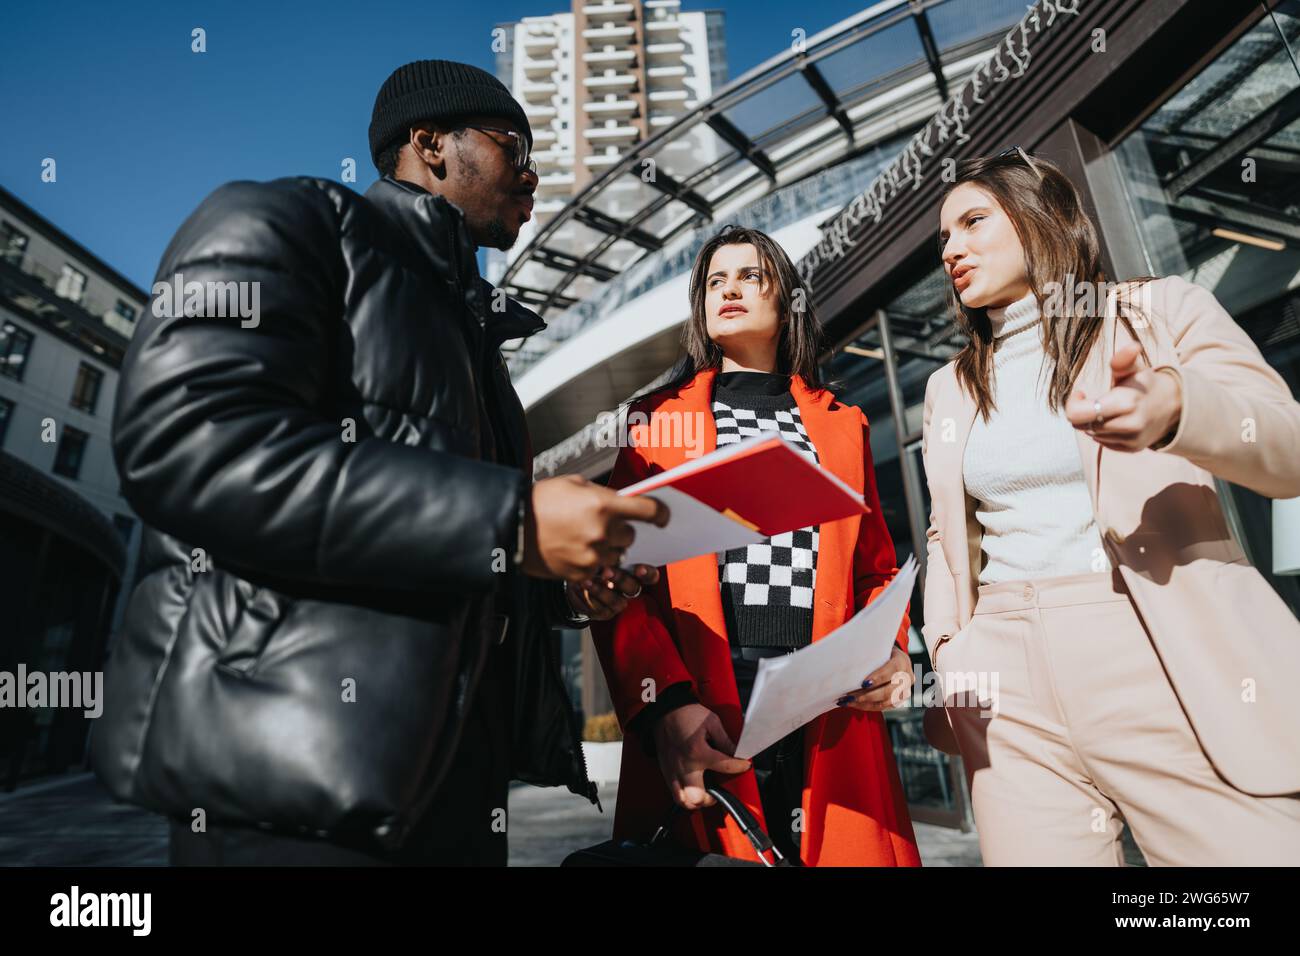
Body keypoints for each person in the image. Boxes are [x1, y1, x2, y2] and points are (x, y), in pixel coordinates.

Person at [91, 59, 667, 866]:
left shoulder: (476, 341)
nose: (533, 176)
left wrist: (559, 589)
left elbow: (430, 546)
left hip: (454, 781)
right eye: (515, 148)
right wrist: (511, 520)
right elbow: (187, 441)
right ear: (429, 143)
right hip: (290, 779)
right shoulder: (289, 224)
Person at [922, 149, 1300, 865]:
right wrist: (948, 650)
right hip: (1000, 679)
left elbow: (1287, 450)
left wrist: (1181, 407)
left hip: (1153, 640)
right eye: (943, 237)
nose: (953, 248)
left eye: (973, 222)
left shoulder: (1161, 313)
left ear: (1042, 218)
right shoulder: (951, 386)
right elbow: (949, 534)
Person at [589, 226, 923, 867]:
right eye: (716, 281)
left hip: (827, 694)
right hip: (705, 689)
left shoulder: (842, 424)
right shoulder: (654, 421)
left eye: (750, 276)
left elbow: (875, 569)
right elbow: (617, 583)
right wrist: (670, 703)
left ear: (788, 300)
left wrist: (897, 655)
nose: (730, 289)